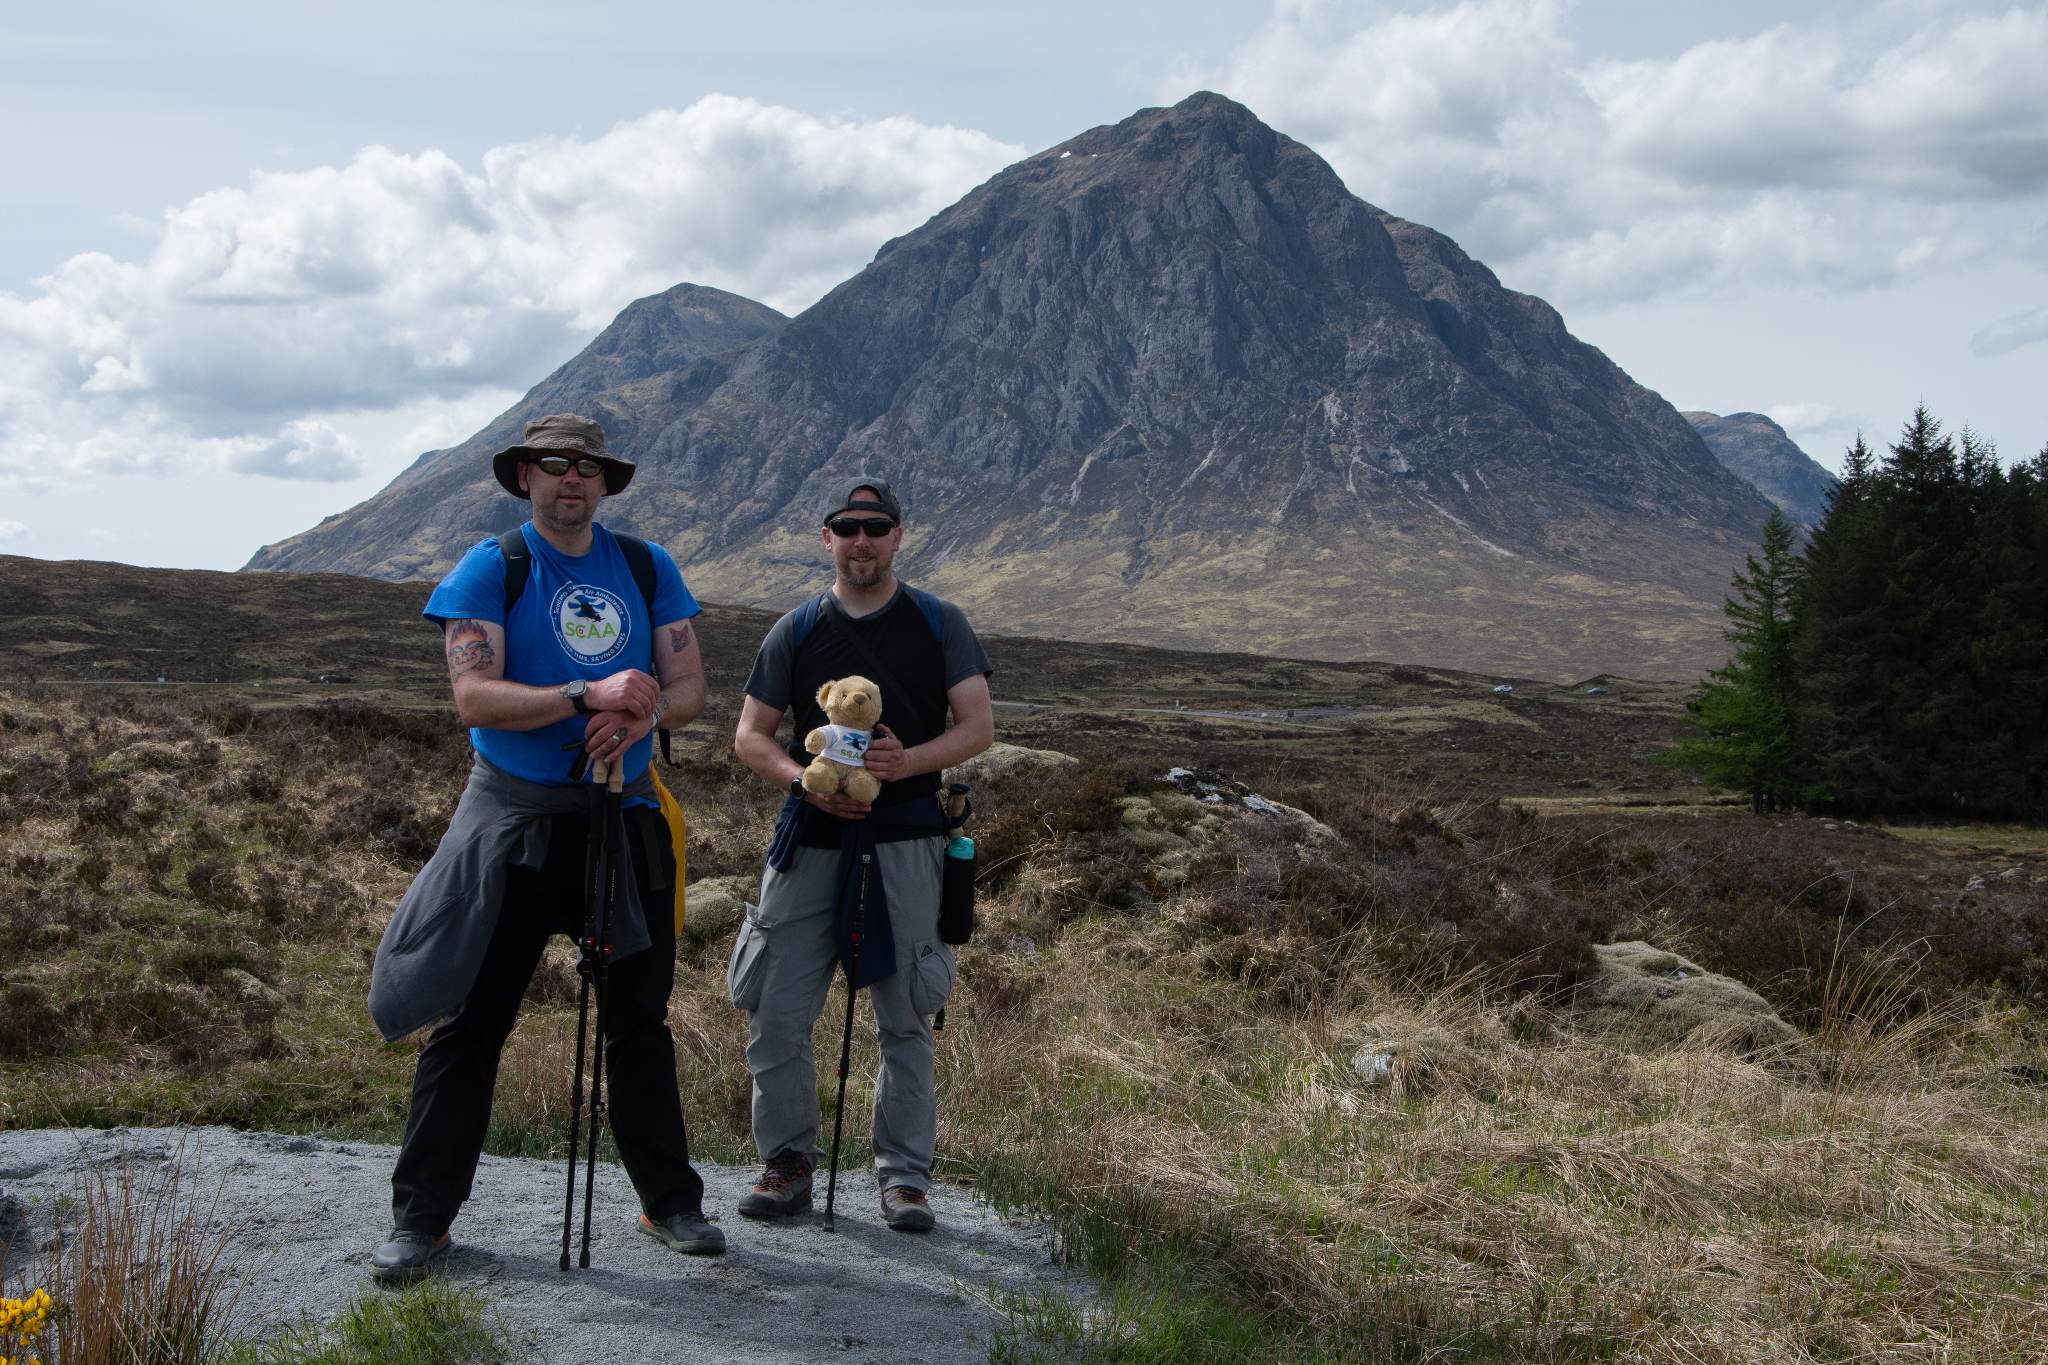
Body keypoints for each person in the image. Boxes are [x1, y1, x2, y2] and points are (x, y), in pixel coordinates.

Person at [365, 412, 722, 1282]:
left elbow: (689, 688)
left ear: (604, 481)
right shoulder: (491, 568)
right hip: (514, 827)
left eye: (588, 467)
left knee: (638, 1021)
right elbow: (475, 698)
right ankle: (421, 1220)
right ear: (524, 475)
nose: (573, 479)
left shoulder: (647, 566)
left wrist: (640, 713)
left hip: (623, 816)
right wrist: (584, 693)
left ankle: (670, 1201)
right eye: (555, 464)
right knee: (471, 1021)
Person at [730, 480, 994, 1232]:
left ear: (897, 536)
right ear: (827, 538)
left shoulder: (940, 623)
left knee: (907, 1013)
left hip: (907, 838)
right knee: (776, 1009)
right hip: (809, 837)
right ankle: (786, 1164)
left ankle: (905, 1177)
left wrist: (904, 764)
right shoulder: (795, 628)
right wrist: (802, 784)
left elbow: (977, 727)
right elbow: (750, 735)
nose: (862, 540)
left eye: (876, 527)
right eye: (847, 527)